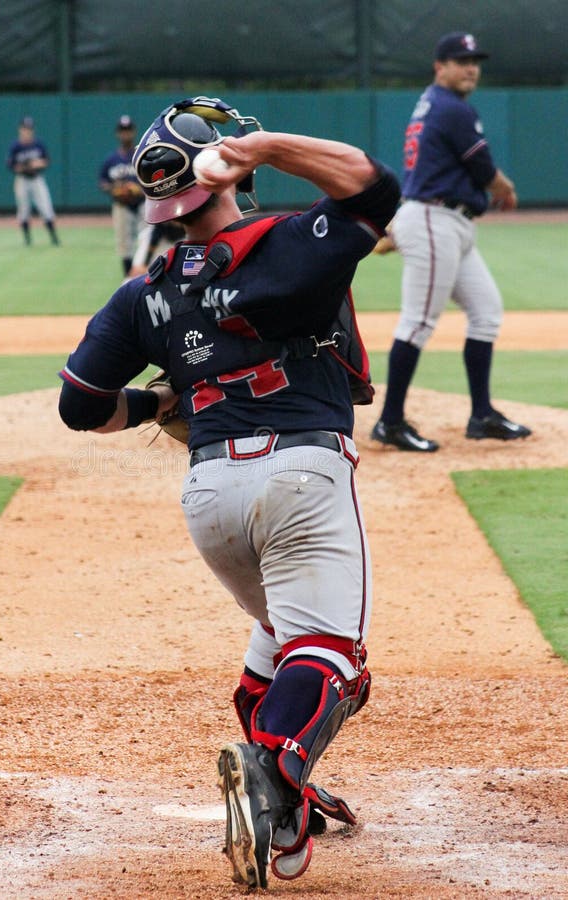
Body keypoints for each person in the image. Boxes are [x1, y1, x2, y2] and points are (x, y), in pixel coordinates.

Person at [58, 96, 399, 888]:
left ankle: (292, 809)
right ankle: (274, 774)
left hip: (210, 496)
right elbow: (373, 188)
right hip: (302, 475)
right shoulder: (284, 246)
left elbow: (81, 407)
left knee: (282, 641)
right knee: (332, 659)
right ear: (223, 170)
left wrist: (158, 403)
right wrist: (268, 145)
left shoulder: (144, 292)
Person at [371, 32, 531, 452]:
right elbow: (481, 167)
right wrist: (507, 188)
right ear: (439, 66)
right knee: (419, 321)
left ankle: (481, 415)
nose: (471, 67)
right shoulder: (450, 107)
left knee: (486, 311)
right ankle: (389, 422)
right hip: (433, 218)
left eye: (475, 60)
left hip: (447, 220)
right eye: (461, 60)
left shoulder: (432, 103)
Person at [98, 114, 147, 276]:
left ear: (134, 132)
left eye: (128, 130)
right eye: (122, 130)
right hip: (121, 205)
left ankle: (146, 277)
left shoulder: (142, 155)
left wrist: (138, 187)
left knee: (146, 240)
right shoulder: (111, 159)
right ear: (118, 133)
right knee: (124, 245)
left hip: (142, 204)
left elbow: (152, 179)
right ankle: (128, 279)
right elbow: (102, 182)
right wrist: (115, 188)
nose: (125, 134)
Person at [5, 116, 60, 247]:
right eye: (24, 128)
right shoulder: (15, 146)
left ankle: (54, 238)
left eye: (29, 129)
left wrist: (34, 164)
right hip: (22, 180)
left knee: (46, 208)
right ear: (20, 130)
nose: (27, 131)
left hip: (36, 179)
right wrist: (25, 166)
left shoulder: (38, 144)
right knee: (23, 211)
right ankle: (27, 240)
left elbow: (46, 161)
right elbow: (11, 165)